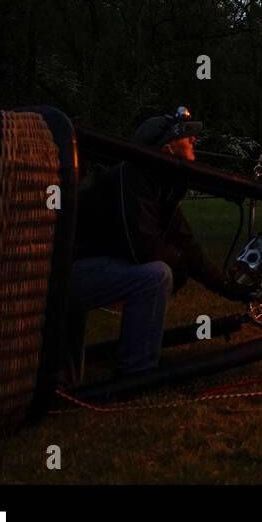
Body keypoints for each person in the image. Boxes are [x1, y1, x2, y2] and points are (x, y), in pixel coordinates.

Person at [62, 106, 215, 384]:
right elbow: (142, 248)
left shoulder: (158, 184)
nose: (193, 140)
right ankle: (136, 372)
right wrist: (179, 263)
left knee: (162, 269)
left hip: (85, 268)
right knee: (156, 275)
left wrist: (229, 287)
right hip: (67, 273)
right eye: (185, 136)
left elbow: (187, 243)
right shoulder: (131, 180)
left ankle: (68, 373)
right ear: (167, 149)